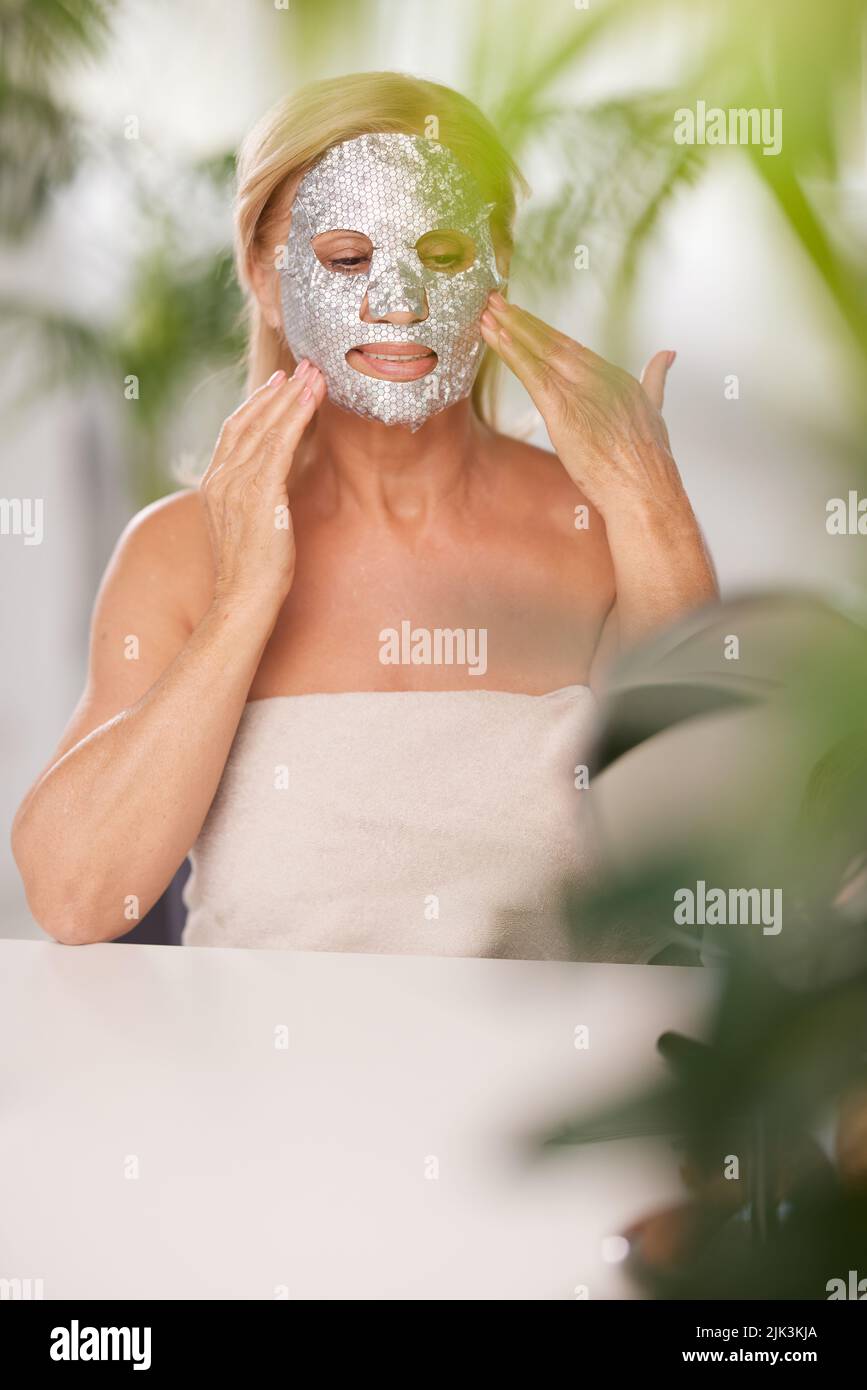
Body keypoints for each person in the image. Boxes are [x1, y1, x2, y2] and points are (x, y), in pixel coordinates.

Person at [11, 72, 717, 956]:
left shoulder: (598, 530)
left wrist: (654, 507)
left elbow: (710, 842)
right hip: (257, 1083)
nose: (399, 302)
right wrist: (242, 602)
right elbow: (78, 898)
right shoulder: (178, 551)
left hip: (544, 1085)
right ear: (265, 282)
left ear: (498, 262)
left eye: (445, 253)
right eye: (347, 258)